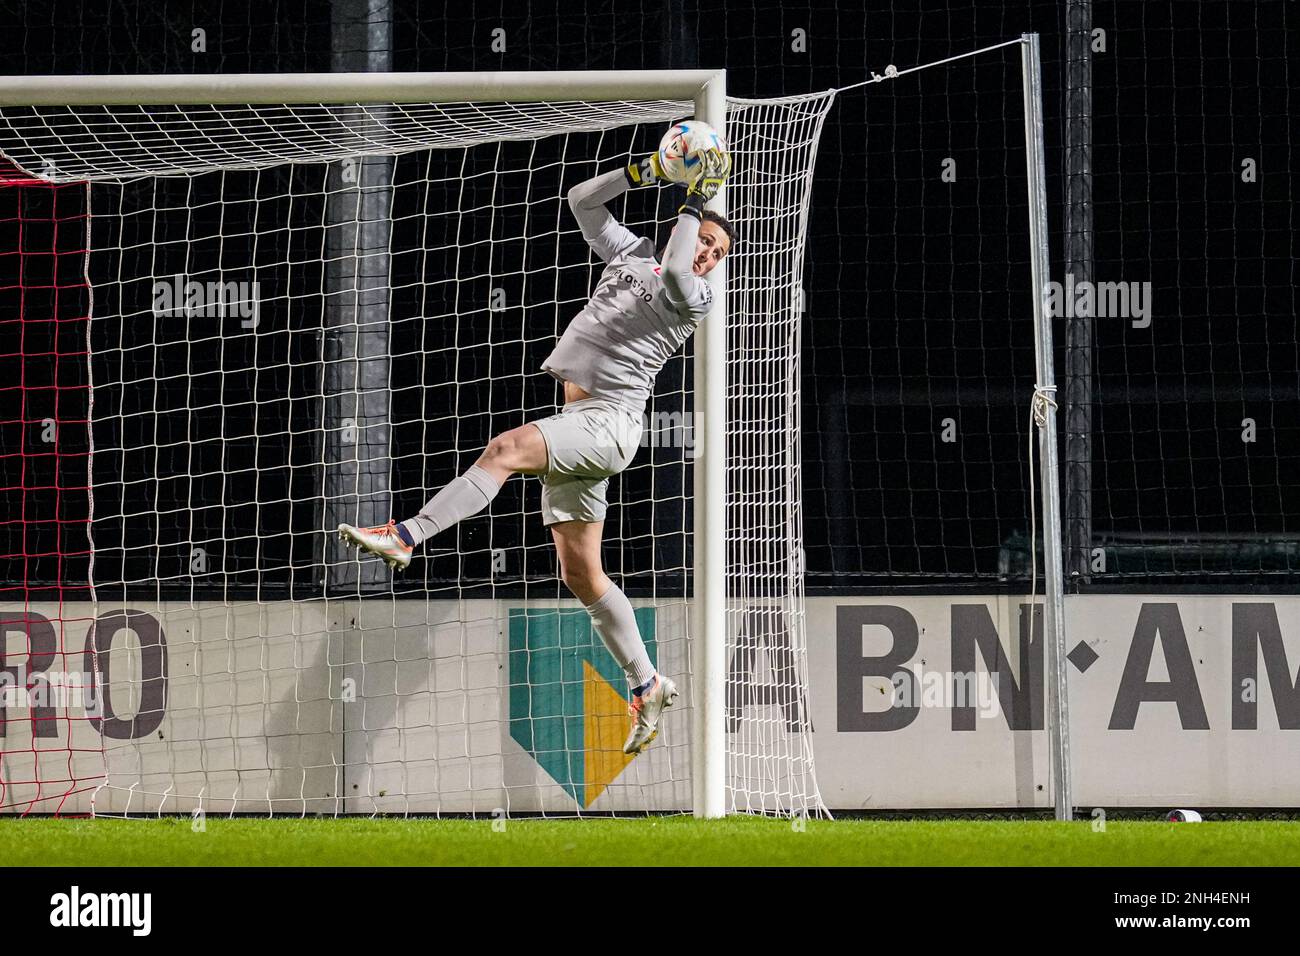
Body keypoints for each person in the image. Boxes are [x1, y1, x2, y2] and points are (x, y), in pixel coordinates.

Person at [339, 140, 735, 756]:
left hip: (610, 425)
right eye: (707, 239)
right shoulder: (633, 252)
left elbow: (682, 268)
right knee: (581, 574)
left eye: (719, 250)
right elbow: (582, 200)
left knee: (503, 450)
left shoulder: (698, 295)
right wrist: (650, 170)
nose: (708, 253)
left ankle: (406, 536)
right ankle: (648, 681)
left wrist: (692, 200)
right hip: (584, 419)